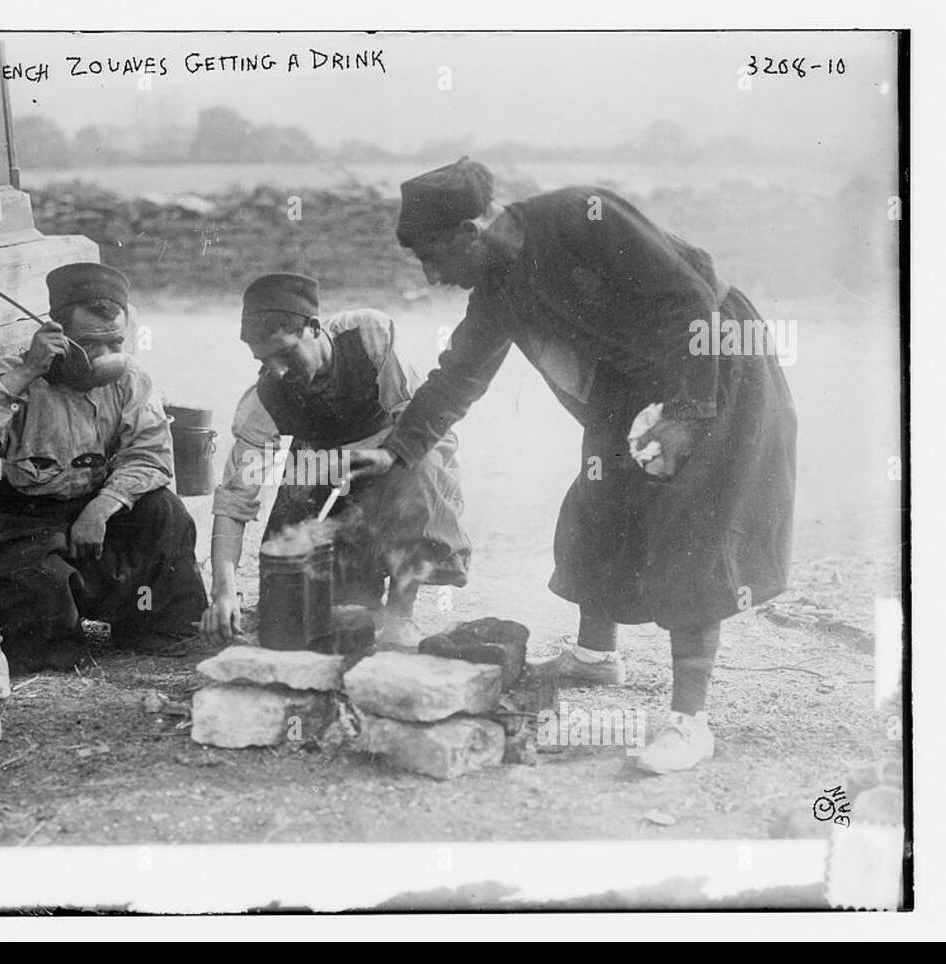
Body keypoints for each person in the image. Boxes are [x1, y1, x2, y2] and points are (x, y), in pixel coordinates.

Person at [350, 158, 796, 773]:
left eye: (434, 258)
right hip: (633, 383)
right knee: (599, 505)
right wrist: (397, 450)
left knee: (689, 530)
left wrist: (688, 413)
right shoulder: (498, 288)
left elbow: (688, 299)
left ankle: (690, 722)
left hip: (711, 362)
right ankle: (595, 657)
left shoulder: (586, 216)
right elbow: (461, 373)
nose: (431, 277)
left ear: (471, 231)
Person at [0, 262, 207, 706]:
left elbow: (149, 453)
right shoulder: (16, 374)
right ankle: (48, 636)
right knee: (27, 592)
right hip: (21, 513)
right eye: (91, 344)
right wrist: (26, 372)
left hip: (94, 510)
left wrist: (103, 506)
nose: (107, 354)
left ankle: (148, 626)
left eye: (116, 342)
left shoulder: (129, 380)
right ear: (60, 336)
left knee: (165, 514)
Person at [203, 273, 470, 648]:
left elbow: (416, 420)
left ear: (313, 328)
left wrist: (369, 455)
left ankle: (400, 617)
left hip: (396, 455)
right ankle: (358, 596)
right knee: (307, 610)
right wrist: (224, 591)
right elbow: (234, 499)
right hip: (322, 471)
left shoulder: (369, 335)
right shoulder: (264, 400)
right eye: (265, 360)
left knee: (418, 471)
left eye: (285, 353)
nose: (278, 370)